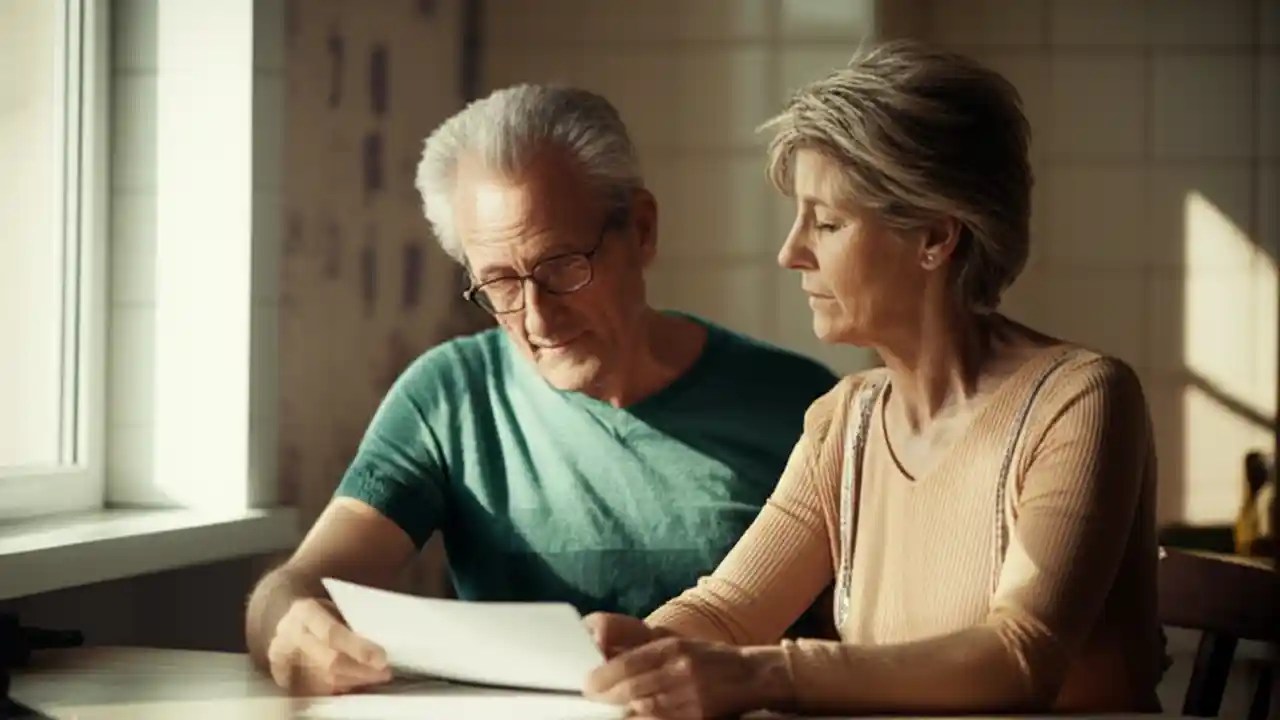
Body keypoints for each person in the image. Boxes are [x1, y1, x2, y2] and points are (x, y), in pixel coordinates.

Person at [583, 41, 1165, 718]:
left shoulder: (1080, 400)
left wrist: (765, 674)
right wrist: (631, 652)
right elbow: (730, 608)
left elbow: (1021, 656)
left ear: (936, 238)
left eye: (828, 223)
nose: (791, 252)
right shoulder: (845, 419)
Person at [245, 84, 838, 695]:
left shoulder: (803, 408)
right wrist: (288, 626)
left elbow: (853, 647)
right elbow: (298, 585)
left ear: (641, 230)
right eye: (499, 284)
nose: (537, 319)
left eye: (562, 267)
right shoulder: (449, 399)